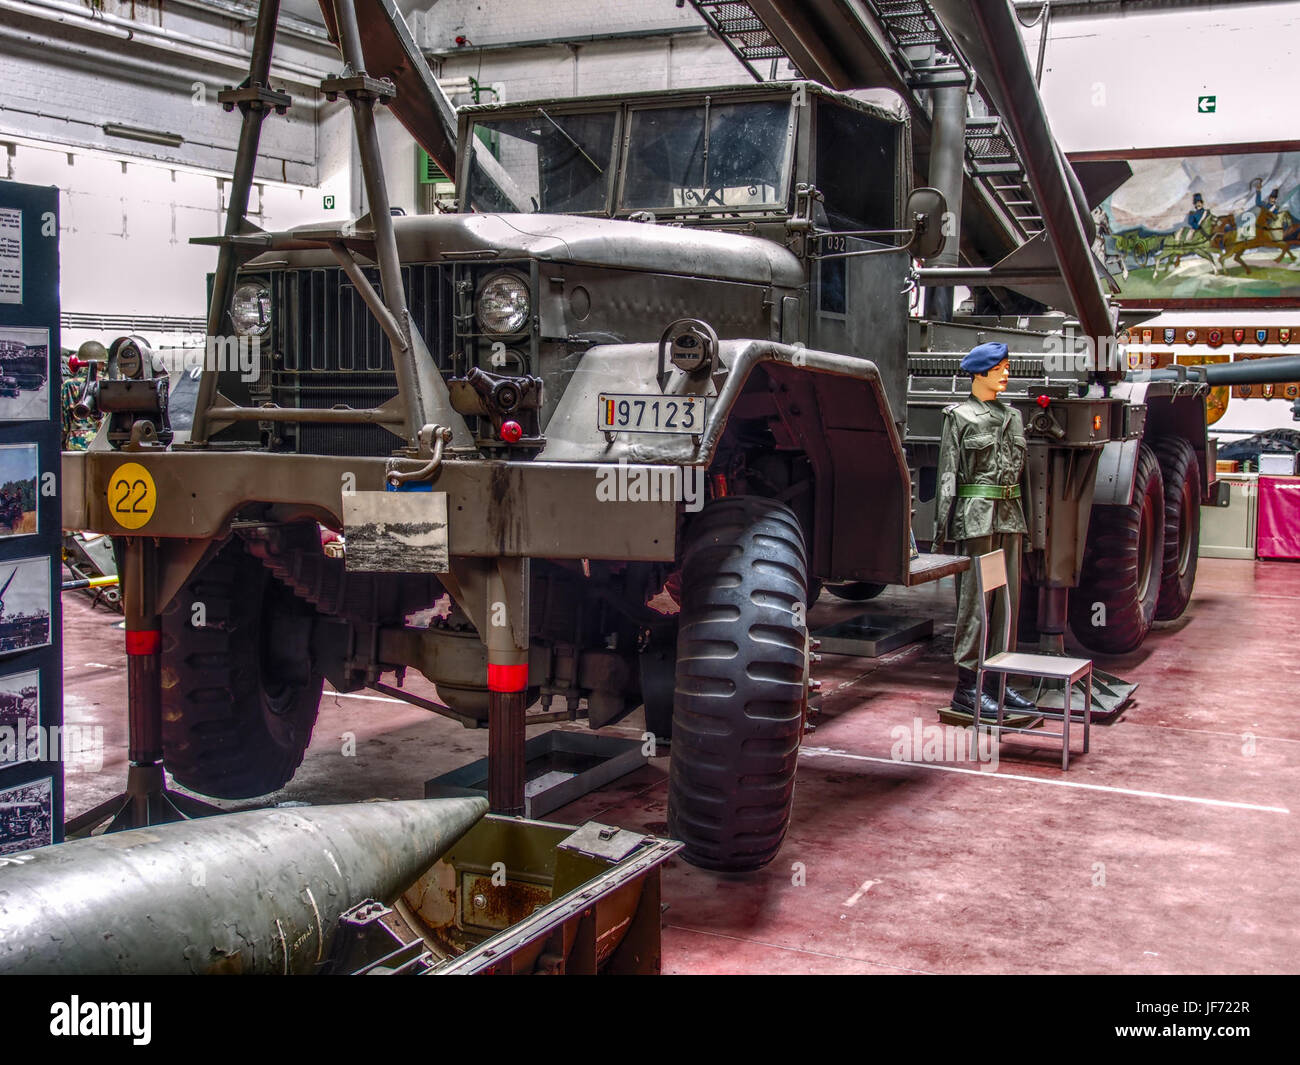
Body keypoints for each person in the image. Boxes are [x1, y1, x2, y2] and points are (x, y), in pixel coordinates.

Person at [933, 341, 1040, 722]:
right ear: (980, 373)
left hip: (1009, 518)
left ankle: (998, 681)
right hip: (976, 519)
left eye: (1007, 367)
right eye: (999, 369)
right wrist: (940, 533)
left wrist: (1031, 530)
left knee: (1007, 604)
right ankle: (967, 686)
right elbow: (948, 476)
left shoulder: (1013, 416)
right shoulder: (960, 417)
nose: (1006, 374)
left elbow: (1023, 478)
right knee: (976, 605)